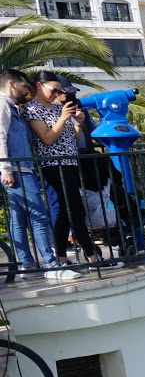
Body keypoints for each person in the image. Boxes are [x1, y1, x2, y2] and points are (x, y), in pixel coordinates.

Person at [23, 72, 102, 267]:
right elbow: (47, 139)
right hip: (53, 164)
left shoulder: (58, 107)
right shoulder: (33, 109)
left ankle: (61, 257)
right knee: (75, 209)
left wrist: (77, 123)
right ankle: (92, 256)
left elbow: (71, 142)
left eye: (60, 90)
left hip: (70, 162)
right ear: (39, 85)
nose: (58, 94)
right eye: (54, 90)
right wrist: (63, 117)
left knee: (66, 211)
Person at [0, 69, 64, 275]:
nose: (26, 90)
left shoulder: (12, 107)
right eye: (24, 86)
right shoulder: (3, 105)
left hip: (20, 168)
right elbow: (0, 137)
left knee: (18, 219)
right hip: (17, 169)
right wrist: (5, 169)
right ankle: (50, 262)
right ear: (12, 84)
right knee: (39, 215)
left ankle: (28, 262)